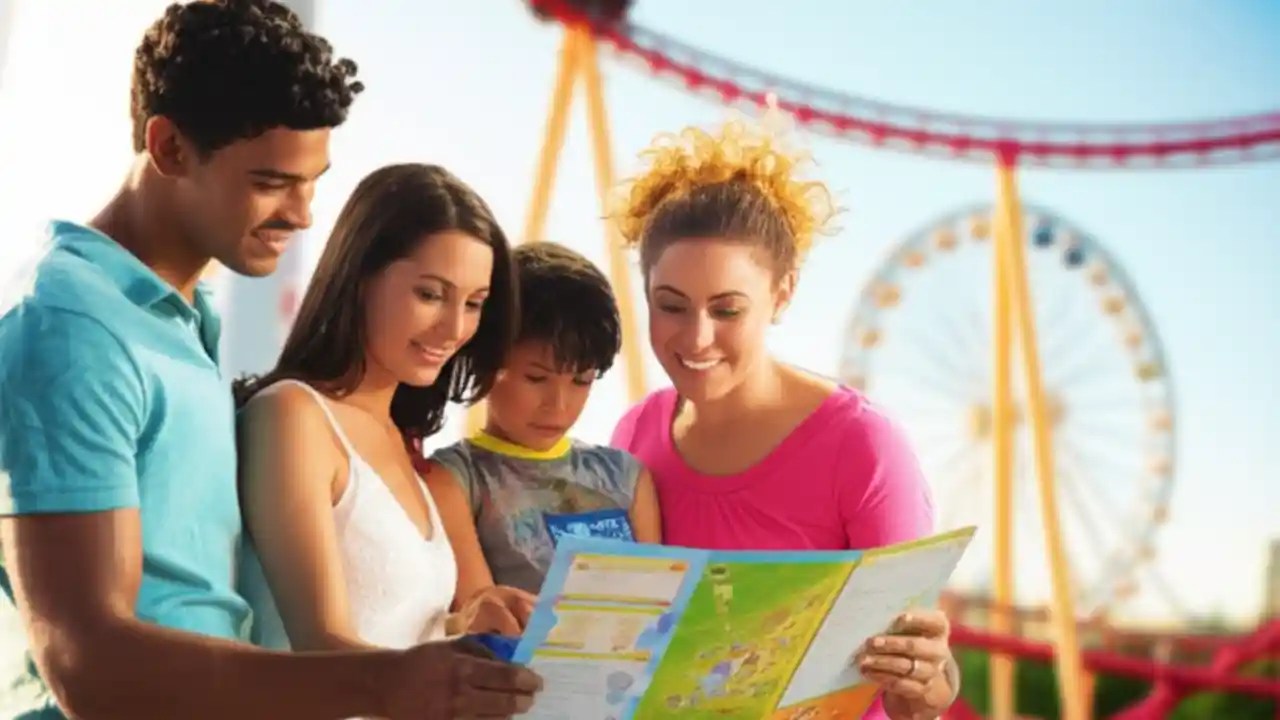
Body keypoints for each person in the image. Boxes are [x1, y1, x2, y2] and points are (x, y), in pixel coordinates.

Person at [0, 2, 538, 718]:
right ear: (168, 148)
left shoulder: (184, 323)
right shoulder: (72, 327)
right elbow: (87, 662)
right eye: (270, 181)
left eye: (313, 180)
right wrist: (385, 682)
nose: (304, 213)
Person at [608, 117, 959, 719]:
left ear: (784, 293)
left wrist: (923, 684)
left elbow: (922, 681)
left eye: (727, 310)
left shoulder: (863, 446)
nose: (697, 337)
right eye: (671, 306)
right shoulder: (633, 435)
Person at [234, 163, 538, 652]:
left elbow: (393, 634)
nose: (454, 329)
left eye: (475, 303)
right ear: (359, 275)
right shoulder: (294, 416)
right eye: (431, 294)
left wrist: (467, 623)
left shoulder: (402, 443)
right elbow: (321, 648)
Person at [426, 241, 662, 604]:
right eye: (536, 378)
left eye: (582, 380)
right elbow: (482, 618)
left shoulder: (626, 477)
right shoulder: (455, 479)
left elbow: (655, 609)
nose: (559, 405)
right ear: (485, 360)